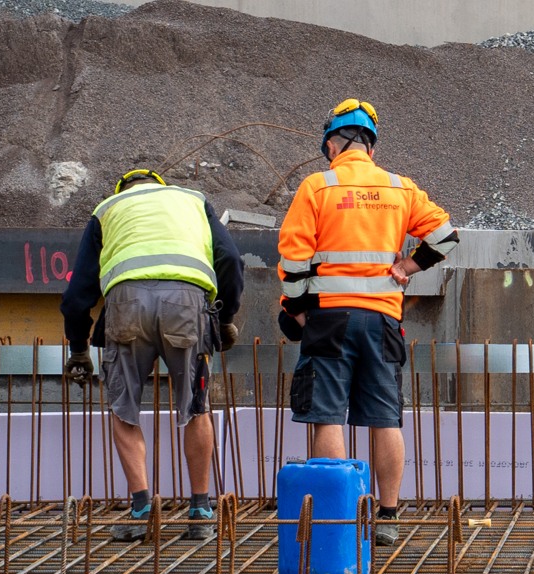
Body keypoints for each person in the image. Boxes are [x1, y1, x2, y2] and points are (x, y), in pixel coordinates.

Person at [278, 99, 459, 546]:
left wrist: (298, 310)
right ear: (371, 148)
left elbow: (292, 259)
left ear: (334, 145)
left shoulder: (317, 187)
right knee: (385, 418)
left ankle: (338, 519)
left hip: (329, 319)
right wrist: (408, 268)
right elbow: (446, 236)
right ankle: (389, 517)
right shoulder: (401, 188)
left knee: (327, 418)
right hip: (382, 319)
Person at [61, 168, 244, 542]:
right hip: (187, 302)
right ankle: (200, 510)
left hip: (126, 304)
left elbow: (77, 294)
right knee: (196, 405)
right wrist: (224, 319)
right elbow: (230, 260)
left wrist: (79, 349)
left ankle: (142, 508)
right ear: (161, 187)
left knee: (123, 407)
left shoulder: (108, 209)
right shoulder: (193, 200)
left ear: (123, 189)